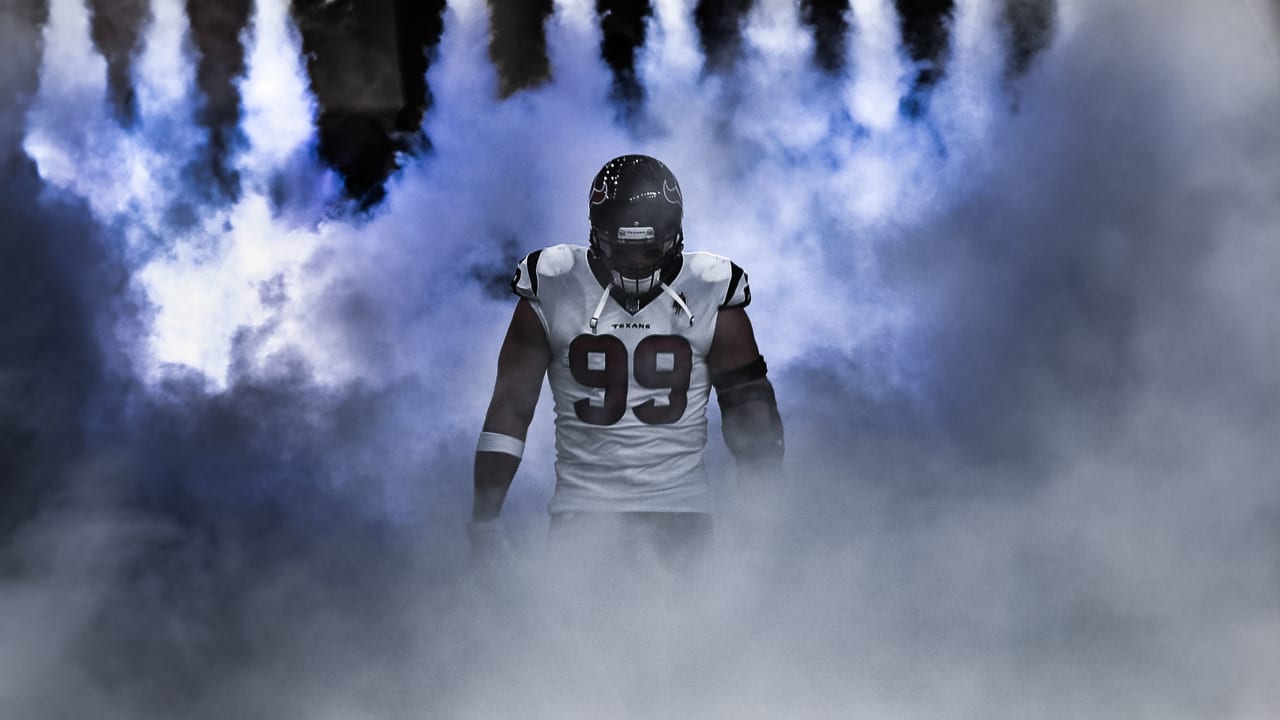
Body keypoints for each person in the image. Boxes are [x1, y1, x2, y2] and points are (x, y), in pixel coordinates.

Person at [469, 154, 783, 568]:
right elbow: (511, 408)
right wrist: (486, 517)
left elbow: (753, 421)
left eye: (650, 250)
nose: (637, 262)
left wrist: (761, 519)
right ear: (596, 236)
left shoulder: (710, 292)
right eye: (623, 249)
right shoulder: (554, 285)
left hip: (677, 516)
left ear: (676, 236)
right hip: (584, 516)